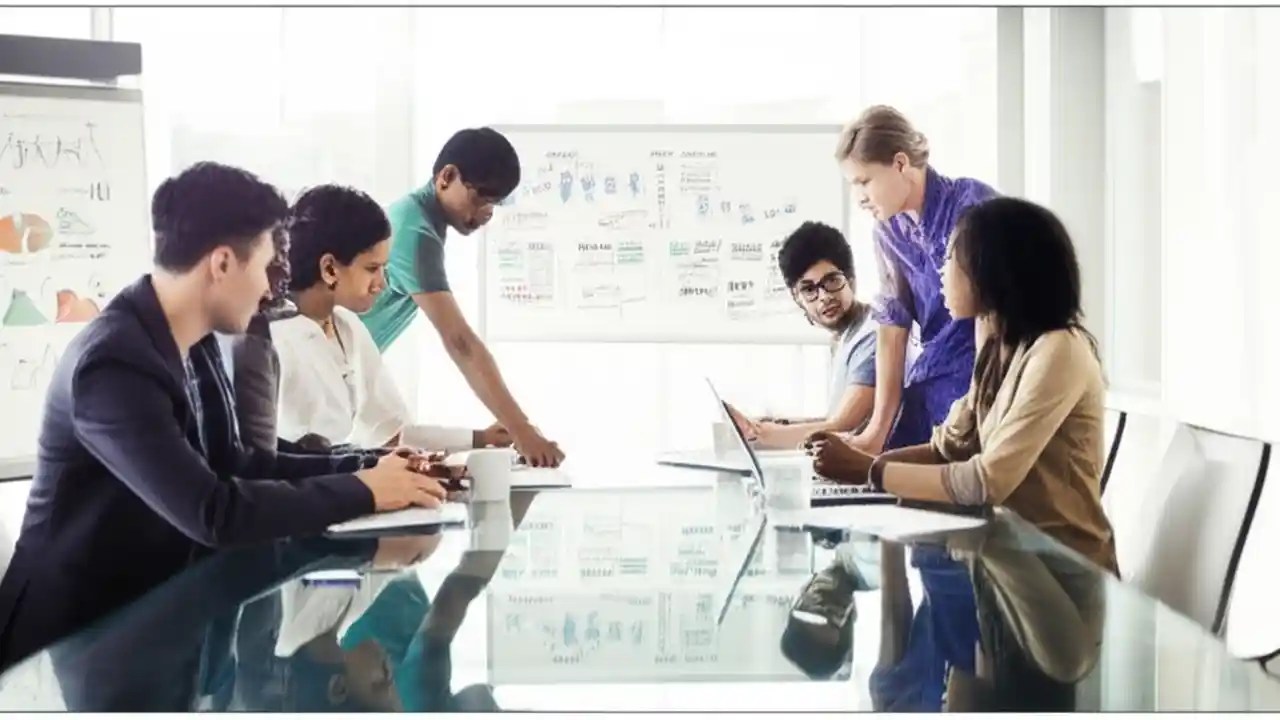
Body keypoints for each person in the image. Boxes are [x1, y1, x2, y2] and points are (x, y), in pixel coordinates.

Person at [0, 162, 447, 672]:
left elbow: (242, 462)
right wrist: (367, 491)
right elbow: (213, 511)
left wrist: (370, 466)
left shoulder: (198, 340)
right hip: (71, 644)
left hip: (154, 618)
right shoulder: (113, 365)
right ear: (222, 263)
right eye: (265, 266)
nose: (273, 287)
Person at [806, 196, 1118, 573]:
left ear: (992, 270)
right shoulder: (996, 343)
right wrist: (857, 473)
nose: (941, 271)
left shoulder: (1059, 350)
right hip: (1008, 565)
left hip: (1064, 576)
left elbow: (986, 481)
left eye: (952, 257)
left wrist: (869, 472)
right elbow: (950, 445)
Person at [245, 183, 512, 454]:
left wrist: (481, 438)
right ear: (329, 268)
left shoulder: (346, 326)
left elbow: (390, 433)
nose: (381, 284)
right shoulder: (276, 340)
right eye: (372, 269)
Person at [358, 128, 564, 467]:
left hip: (353, 368)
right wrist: (522, 429)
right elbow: (460, 342)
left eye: (495, 204)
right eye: (480, 199)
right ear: (447, 177)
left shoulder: (416, 221)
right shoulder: (415, 232)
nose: (486, 213)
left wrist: (486, 438)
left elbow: (389, 432)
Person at [833, 105, 998, 455]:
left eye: (864, 181)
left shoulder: (973, 207)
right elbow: (892, 329)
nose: (859, 197)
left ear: (900, 164)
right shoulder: (888, 230)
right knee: (876, 473)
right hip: (928, 382)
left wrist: (978, 414)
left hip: (980, 388)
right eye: (852, 185)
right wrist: (876, 431)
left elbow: (994, 319)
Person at [730, 221, 877, 449]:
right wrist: (777, 424)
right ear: (797, 298)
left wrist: (762, 433)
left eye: (832, 281)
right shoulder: (842, 337)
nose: (824, 297)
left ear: (851, 279)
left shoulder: (872, 335)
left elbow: (845, 425)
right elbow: (833, 420)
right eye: (809, 289)